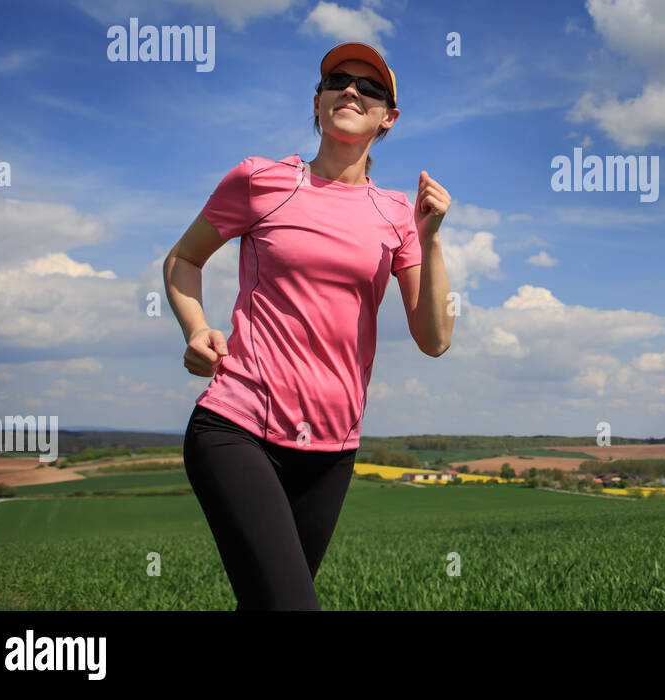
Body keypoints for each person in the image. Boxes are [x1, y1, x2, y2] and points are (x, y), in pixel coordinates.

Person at [163, 41, 454, 610]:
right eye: (338, 81)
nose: (351, 90)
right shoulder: (260, 180)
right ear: (317, 102)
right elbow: (183, 260)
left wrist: (431, 237)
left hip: (332, 447)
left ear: (387, 118)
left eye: (370, 88)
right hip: (237, 425)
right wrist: (194, 327)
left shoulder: (398, 212)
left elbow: (434, 339)